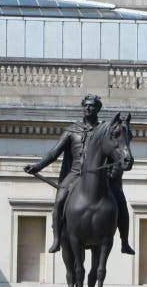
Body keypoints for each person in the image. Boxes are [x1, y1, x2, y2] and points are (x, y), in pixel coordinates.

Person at [24, 94, 135, 254]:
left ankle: (125, 241)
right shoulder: (72, 130)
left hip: (101, 175)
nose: (88, 108)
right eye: (86, 105)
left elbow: (115, 151)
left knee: (120, 199)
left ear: (98, 108)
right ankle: (57, 239)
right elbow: (54, 153)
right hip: (75, 173)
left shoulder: (105, 130)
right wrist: (37, 166)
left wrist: (114, 174)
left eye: (92, 106)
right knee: (60, 199)